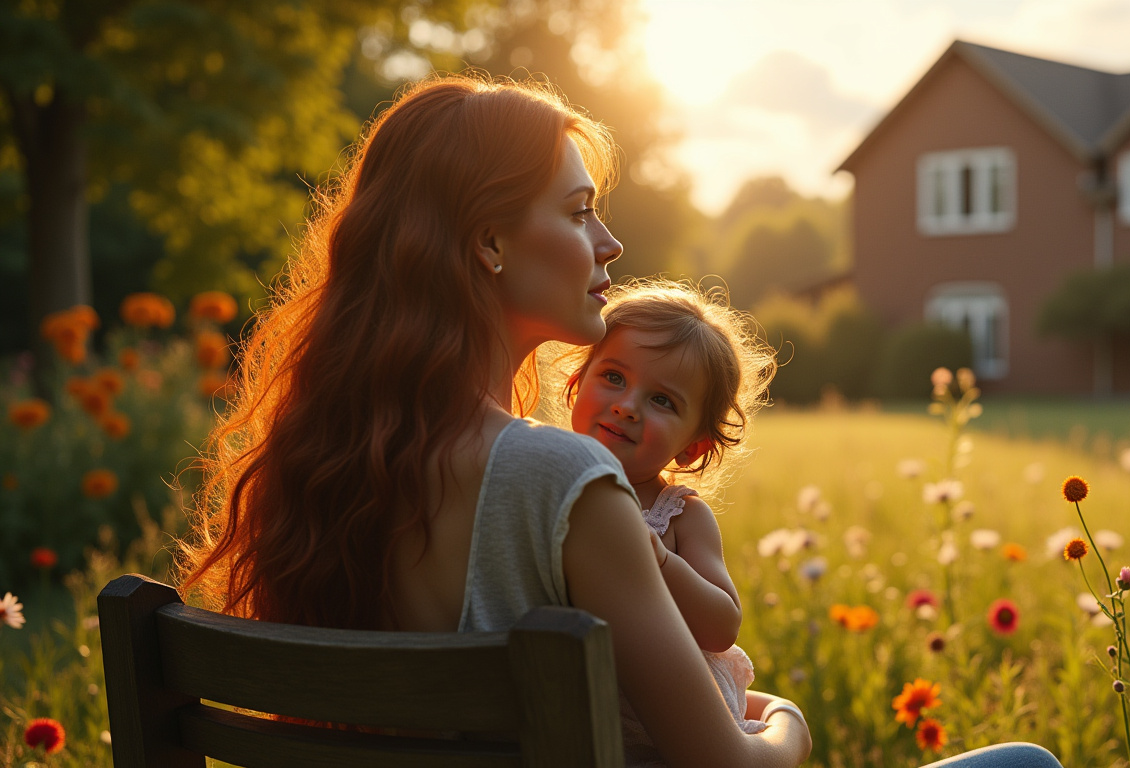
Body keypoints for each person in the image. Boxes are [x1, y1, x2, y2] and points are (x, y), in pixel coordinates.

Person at [176, 74, 811, 768]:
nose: (609, 243)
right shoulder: (564, 481)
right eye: (579, 212)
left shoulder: (326, 455)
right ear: (490, 243)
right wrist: (785, 721)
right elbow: (725, 763)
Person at [561, 281, 778, 761]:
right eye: (613, 377)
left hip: (672, 725)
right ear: (578, 381)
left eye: (662, 401)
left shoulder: (678, 514)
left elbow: (722, 625)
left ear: (692, 447)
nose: (627, 406)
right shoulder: (543, 479)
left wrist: (658, 559)